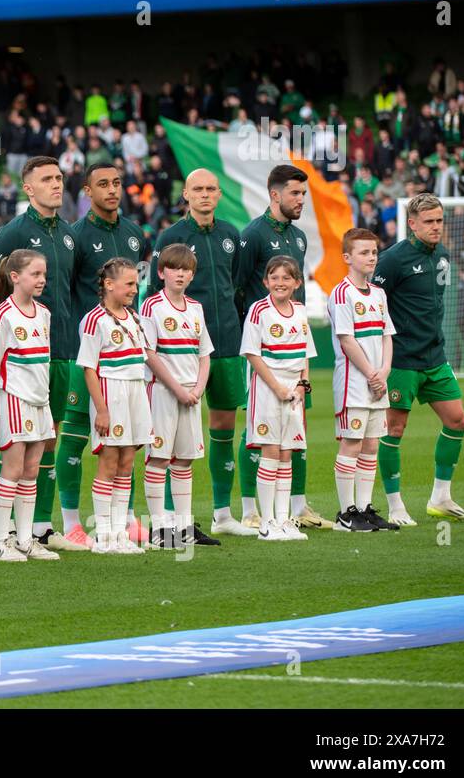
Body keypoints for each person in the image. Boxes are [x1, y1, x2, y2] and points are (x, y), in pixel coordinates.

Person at [0, 157, 79, 553]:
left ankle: (37, 529)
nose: (56, 185)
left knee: (46, 445)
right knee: (18, 457)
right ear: (28, 188)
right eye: (47, 179)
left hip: (58, 352)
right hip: (19, 369)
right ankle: (7, 538)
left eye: (59, 178)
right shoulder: (13, 233)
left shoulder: (69, 234)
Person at [149, 170, 251, 537]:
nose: (205, 195)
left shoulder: (230, 235)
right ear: (186, 195)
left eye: (211, 189)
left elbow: (236, 286)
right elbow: (152, 292)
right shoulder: (172, 237)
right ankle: (172, 523)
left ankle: (223, 515)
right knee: (172, 439)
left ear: (219, 194)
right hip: (179, 352)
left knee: (223, 428)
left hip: (223, 345)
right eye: (198, 189)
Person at [232, 163, 328, 530]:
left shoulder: (299, 237)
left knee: (295, 427)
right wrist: (253, 336)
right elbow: (238, 288)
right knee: (255, 430)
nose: (301, 200)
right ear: (275, 194)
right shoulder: (253, 235)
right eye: (295, 193)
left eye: (303, 194)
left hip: (294, 351)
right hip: (264, 354)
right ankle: (250, 509)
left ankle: (297, 508)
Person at [58, 160, 149, 547]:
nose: (112, 189)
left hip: (125, 352)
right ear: (87, 192)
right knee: (77, 437)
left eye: (116, 182)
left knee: (125, 447)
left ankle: (122, 520)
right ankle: (72, 522)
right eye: (102, 184)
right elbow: (64, 290)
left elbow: (136, 291)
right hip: (91, 354)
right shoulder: (75, 235)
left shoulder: (133, 233)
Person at [372, 194, 464, 524]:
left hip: (435, 356)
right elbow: (374, 303)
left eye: (439, 220)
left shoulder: (443, 256)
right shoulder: (393, 259)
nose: (436, 227)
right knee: (395, 429)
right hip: (402, 359)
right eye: (428, 221)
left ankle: (440, 497)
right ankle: (395, 505)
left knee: (457, 420)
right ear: (412, 224)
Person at [0, 249, 58, 562]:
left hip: (40, 402)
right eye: (35, 274)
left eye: (43, 274)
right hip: (13, 399)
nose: (41, 280)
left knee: (31, 471)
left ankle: (26, 540)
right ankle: (0, 542)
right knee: (11, 470)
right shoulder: (2, 315)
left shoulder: (44, 313)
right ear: (15, 277)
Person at [139, 243, 217, 549]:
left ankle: (184, 526)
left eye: (186, 269)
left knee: (184, 460)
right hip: (162, 391)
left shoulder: (196, 308)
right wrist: (178, 389)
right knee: (159, 458)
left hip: (190, 395)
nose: (180, 274)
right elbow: (149, 353)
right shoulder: (151, 306)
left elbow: (205, 354)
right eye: (174, 268)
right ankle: (159, 528)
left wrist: (197, 389)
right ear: (161, 272)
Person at [77, 258, 152, 554]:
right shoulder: (96, 319)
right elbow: (89, 368)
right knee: (109, 462)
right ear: (109, 284)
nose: (134, 289)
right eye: (129, 284)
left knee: (127, 463)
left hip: (135, 391)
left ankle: (120, 534)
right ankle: (104, 536)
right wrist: (103, 409)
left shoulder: (133, 317)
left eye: (136, 284)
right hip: (112, 392)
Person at [240, 256, 317, 542]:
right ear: (265, 281)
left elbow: (305, 355)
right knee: (270, 452)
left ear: (297, 282)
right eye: (274, 277)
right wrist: (277, 388)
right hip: (267, 388)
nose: (280, 283)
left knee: (287, 453)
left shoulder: (300, 310)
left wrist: (301, 385)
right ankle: (267, 522)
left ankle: (284, 520)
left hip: (293, 390)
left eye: (286, 278)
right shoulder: (258, 310)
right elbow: (252, 353)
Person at [328, 229, 397, 533]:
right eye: (364, 253)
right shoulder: (342, 293)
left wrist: (384, 372)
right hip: (353, 383)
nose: (371, 258)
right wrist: (371, 373)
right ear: (347, 257)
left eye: (374, 252)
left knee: (371, 445)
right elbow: (347, 340)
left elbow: (387, 336)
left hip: (376, 382)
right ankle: (345, 513)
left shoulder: (379, 294)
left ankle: (365, 509)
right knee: (352, 444)